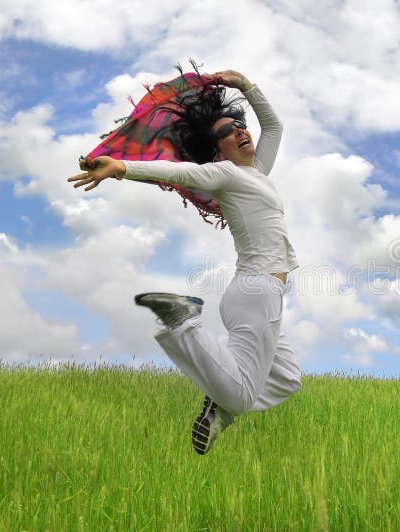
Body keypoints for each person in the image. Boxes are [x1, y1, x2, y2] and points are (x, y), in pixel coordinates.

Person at [68, 69, 302, 455]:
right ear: (217, 150)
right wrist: (123, 168)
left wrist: (245, 84)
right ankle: (183, 323)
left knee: (288, 378)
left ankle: (219, 413)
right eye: (228, 132)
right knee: (244, 396)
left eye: (240, 125)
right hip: (257, 290)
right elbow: (180, 171)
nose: (240, 131)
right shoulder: (224, 173)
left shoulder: (256, 171)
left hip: (261, 292)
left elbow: (274, 126)